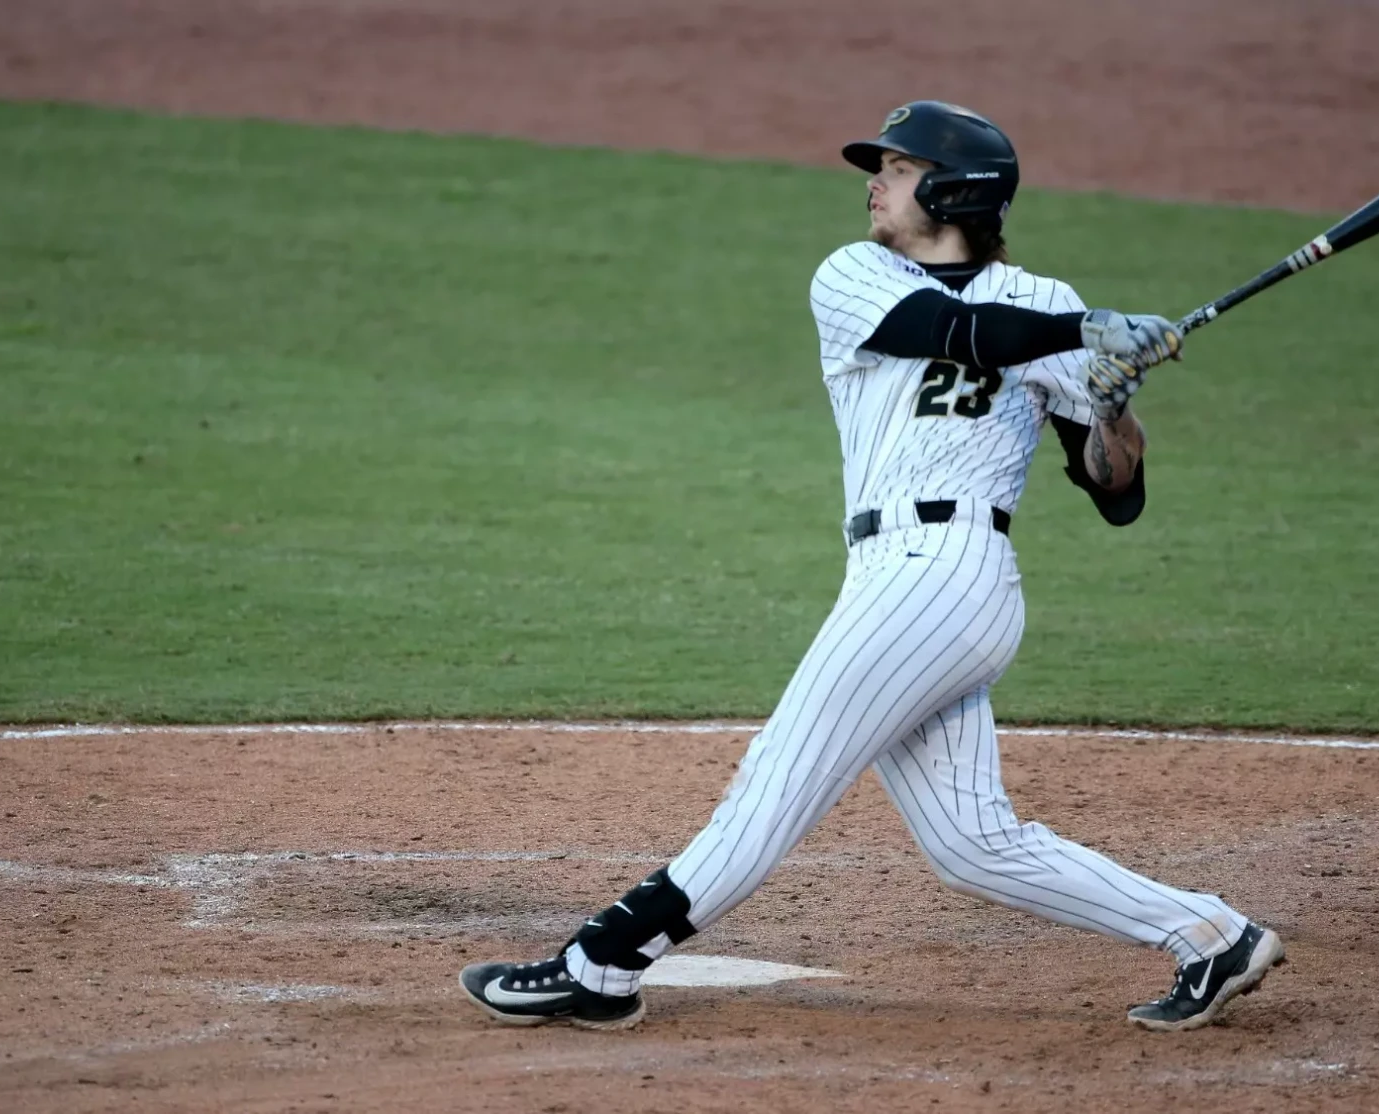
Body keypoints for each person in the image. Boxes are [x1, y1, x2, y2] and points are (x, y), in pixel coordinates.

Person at [459, 101, 1283, 1033]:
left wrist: (1111, 406)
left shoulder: (1049, 304)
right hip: (896, 576)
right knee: (974, 845)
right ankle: (1210, 932)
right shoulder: (856, 275)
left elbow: (1115, 493)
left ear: (950, 188)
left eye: (895, 168)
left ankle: (600, 965)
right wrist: (1091, 333)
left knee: (777, 781)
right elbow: (959, 330)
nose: (874, 183)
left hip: (944, 574)